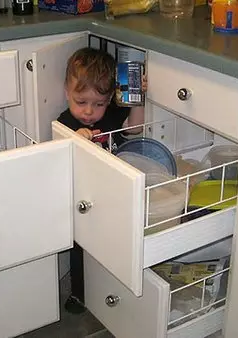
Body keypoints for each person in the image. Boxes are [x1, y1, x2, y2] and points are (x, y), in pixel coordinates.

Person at [57, 47, 146, 314]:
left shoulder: (111, 114)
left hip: (112, 191)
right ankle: (79, 293)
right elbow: (59, 156)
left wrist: (137, 99)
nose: (88, 112)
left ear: (109, 99)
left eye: (99, 104)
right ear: (66, 92)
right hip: (83, 197)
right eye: (81, 101)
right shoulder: (64, 122)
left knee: (114, 243)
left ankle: (114, 287)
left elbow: (136, 128)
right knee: (80, 247)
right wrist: (77, 138)